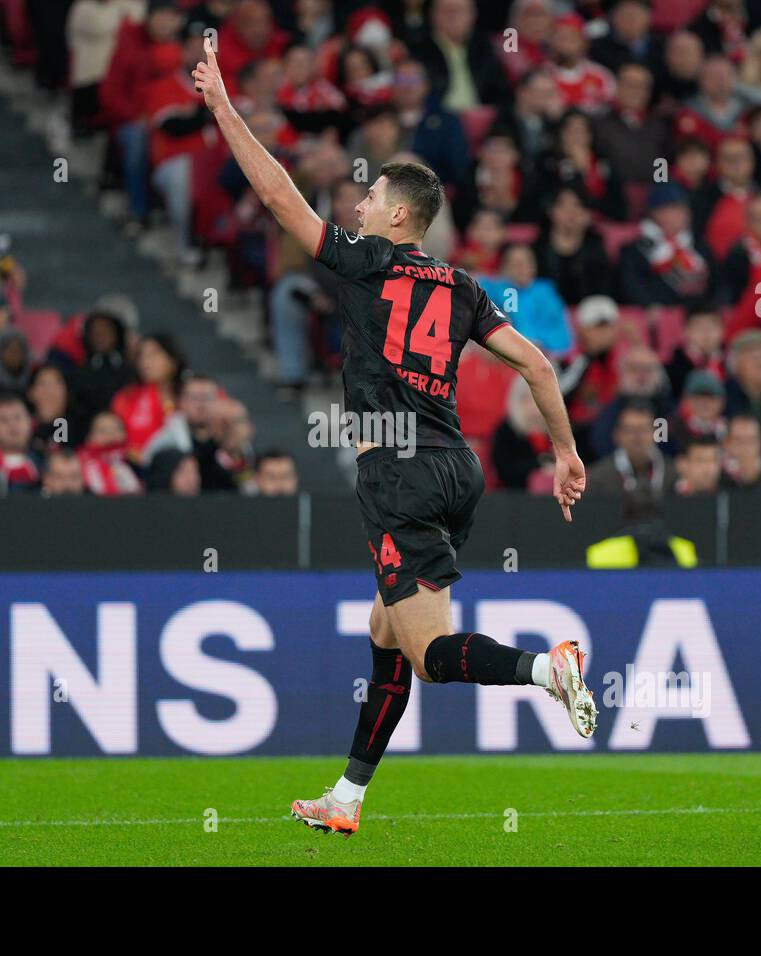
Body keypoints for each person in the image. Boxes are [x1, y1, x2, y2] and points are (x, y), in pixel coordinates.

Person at [193, 37, 596, 837]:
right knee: (386, 630)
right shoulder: (464, 286)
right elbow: (541, 370)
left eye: (370, 196)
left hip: (397, 471)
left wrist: (223, 108)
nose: (358, 205)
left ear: (400, 215)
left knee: (428, 657)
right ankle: (347, 799)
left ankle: (546, 670)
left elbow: (279, 199)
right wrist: (566, 453)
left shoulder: (369, 262)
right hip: (456, 470)